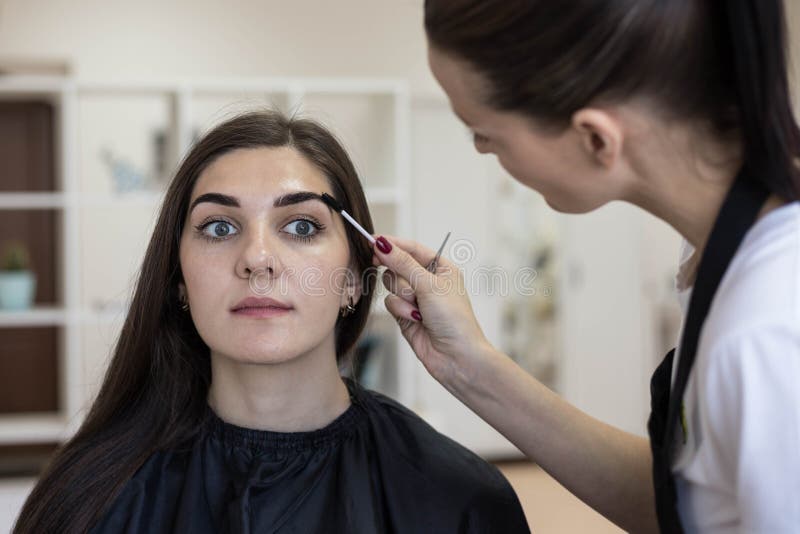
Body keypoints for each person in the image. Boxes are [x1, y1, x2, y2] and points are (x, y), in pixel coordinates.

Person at [371, 1, 800, 533]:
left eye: (484, 131)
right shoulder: (719, 261)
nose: (482, 150)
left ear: (595, 138)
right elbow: (696, 499)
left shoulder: (770, 331)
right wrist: (469, 363)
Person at [13, 111, 530, 534]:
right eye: (219, 227)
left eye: (301, 226)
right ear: (179, 283)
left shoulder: (461, 502)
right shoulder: (87, 500)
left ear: (354, 278)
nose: (257, 259)